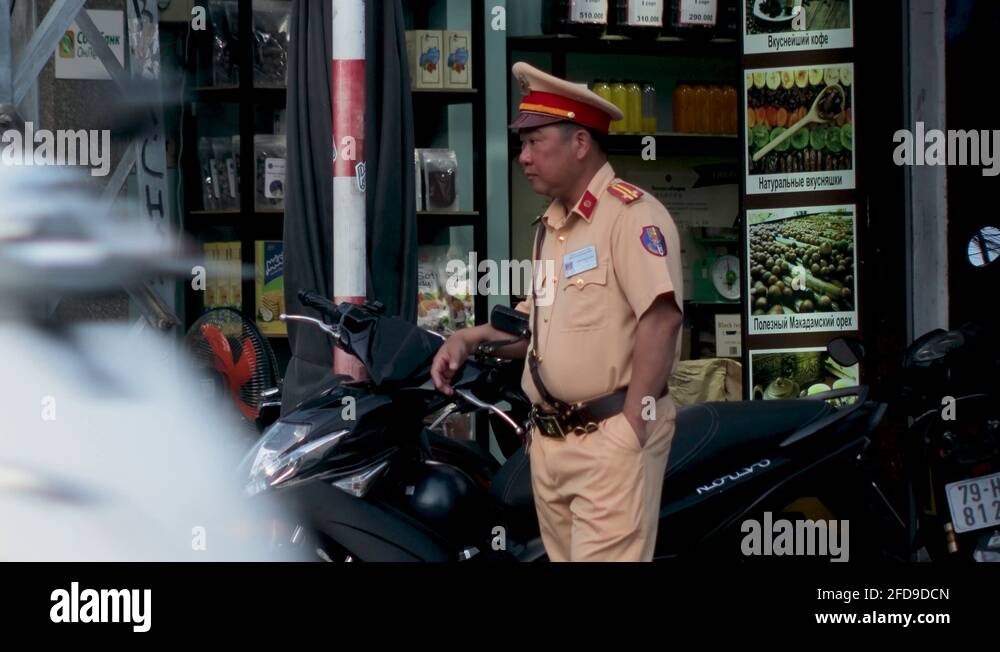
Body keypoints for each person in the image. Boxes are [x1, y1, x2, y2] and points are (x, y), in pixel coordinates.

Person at [431, 62, 685, 562]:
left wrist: (632, 425)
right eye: (521, 143)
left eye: (534, 141)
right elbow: (538, 322)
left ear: (580, 144)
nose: (523, 157)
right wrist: (469, 338)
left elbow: (662, 318)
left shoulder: (631, 215)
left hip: (608, 438)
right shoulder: (553, 224)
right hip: (551, 445)